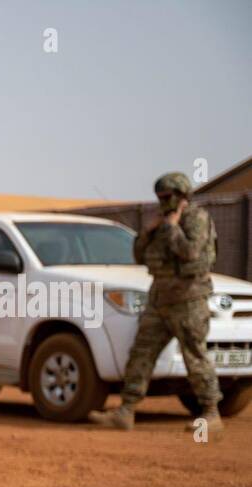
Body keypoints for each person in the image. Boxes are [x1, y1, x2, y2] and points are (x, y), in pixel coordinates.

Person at [88, 172, 222, 435]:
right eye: (160, 197)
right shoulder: (160, 222)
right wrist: (147, 233)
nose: (163, 201)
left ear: (182, 196)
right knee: (141, 354)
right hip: (159, 299)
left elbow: (190, 252)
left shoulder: (196, 218)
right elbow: (139, 256)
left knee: (194, 356)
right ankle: (126, 411)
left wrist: (172, 226)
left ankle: (210, 413)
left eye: (168, 196)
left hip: (188, 300)